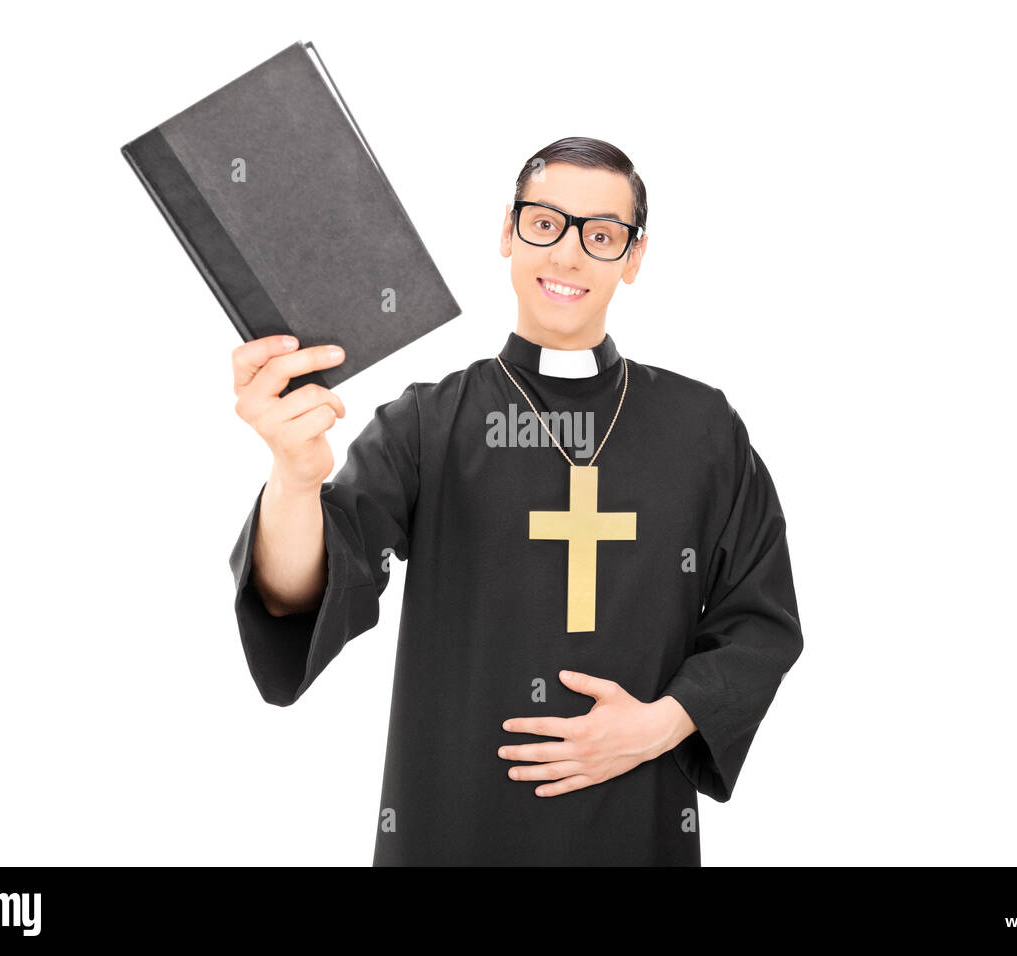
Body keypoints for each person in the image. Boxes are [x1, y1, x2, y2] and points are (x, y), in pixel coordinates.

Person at [228, 136, 803, 866]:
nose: (567, 256)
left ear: (634, 258)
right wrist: (295, 476)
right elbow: (299, 593)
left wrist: (664, 723)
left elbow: (761, 619)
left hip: (637, 823)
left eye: (601, 236)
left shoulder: (702, 429)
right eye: (544, 223)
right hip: (453, 825)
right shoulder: (427, 423)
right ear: (508, 231)